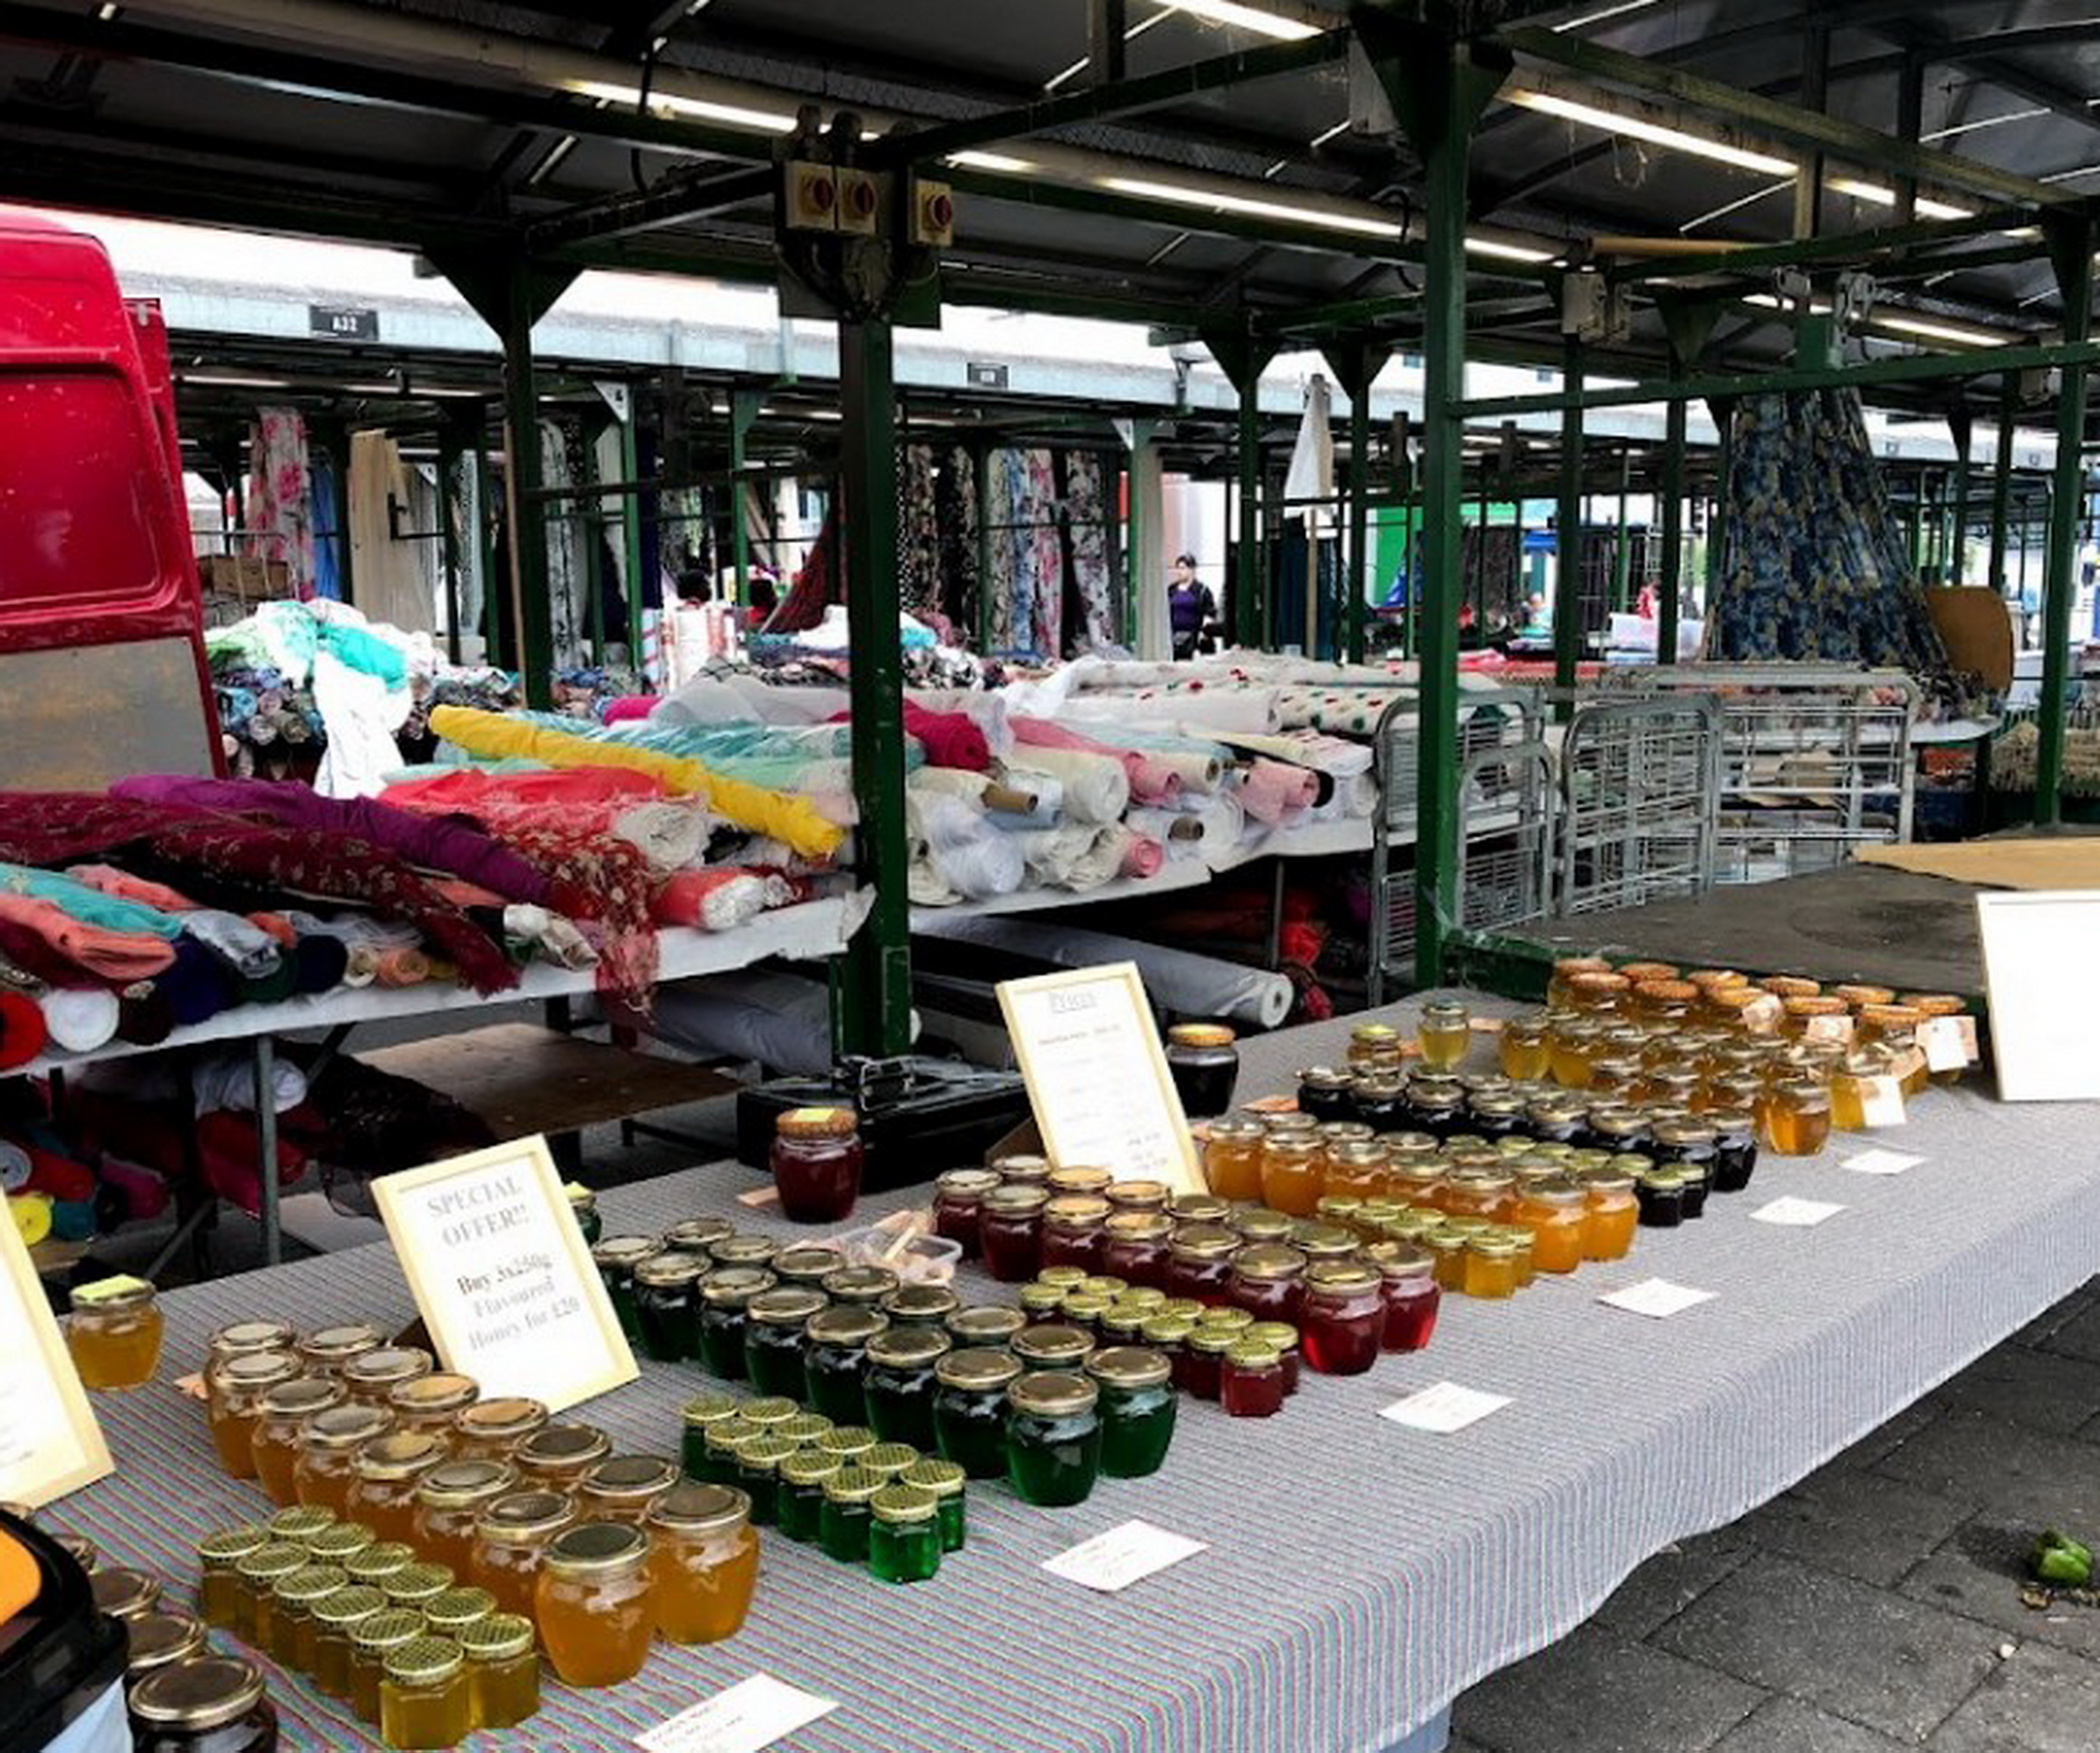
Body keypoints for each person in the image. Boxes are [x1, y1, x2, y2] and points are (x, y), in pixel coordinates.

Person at [1167, 554, 1219, 660]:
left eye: (1183, 568)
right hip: (1174, 636)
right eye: (1178, 568)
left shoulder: (1201, 591)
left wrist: (1204, 632)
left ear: (1191, 570)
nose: (1179, 572)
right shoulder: (1171, 590)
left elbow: (1210, 613)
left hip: (1194, 637)